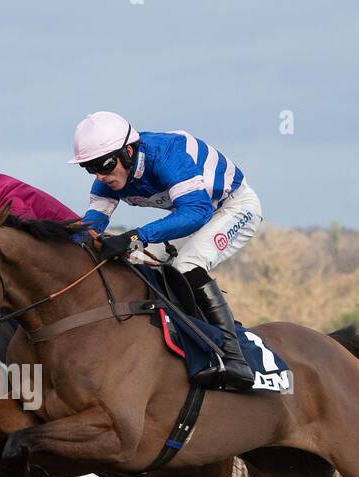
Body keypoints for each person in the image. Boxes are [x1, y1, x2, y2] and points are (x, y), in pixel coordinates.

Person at [69, 111, 262, 390]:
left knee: (187, 265)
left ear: (128, 151)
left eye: (105, 165)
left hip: (233, 208)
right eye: (90, 168)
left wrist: (136, 235)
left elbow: (197, 211)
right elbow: (92, 225)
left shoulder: (166, 155)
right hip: (192, 215)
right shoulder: (109, 176)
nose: (101, 175)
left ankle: (235, 359)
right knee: (132, 259)